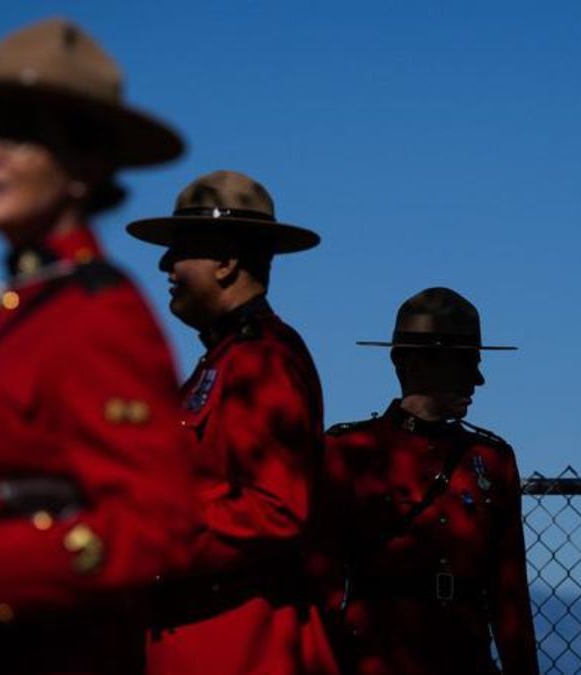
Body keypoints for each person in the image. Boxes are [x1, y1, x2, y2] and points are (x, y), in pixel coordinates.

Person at [0, 18, 196, 675]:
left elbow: (153, 527)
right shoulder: (24, 304)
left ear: (85, 165)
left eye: (17, 135)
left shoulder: (99, 314)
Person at [125, 170, 338, 674]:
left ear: (225, 262)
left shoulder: (264, 360)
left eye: (181, 250)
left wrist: (150, 536)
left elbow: (275, 507)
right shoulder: (223, 359)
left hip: (240, 646)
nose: (165, 265)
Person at [313, 287, 540, 675]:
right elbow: (321, 580)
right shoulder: (348, 450)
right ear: (414, 363)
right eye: (466, 361)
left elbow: (510, 593)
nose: (479, 379)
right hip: (374, 658)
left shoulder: (491, 459)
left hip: (464, 658)